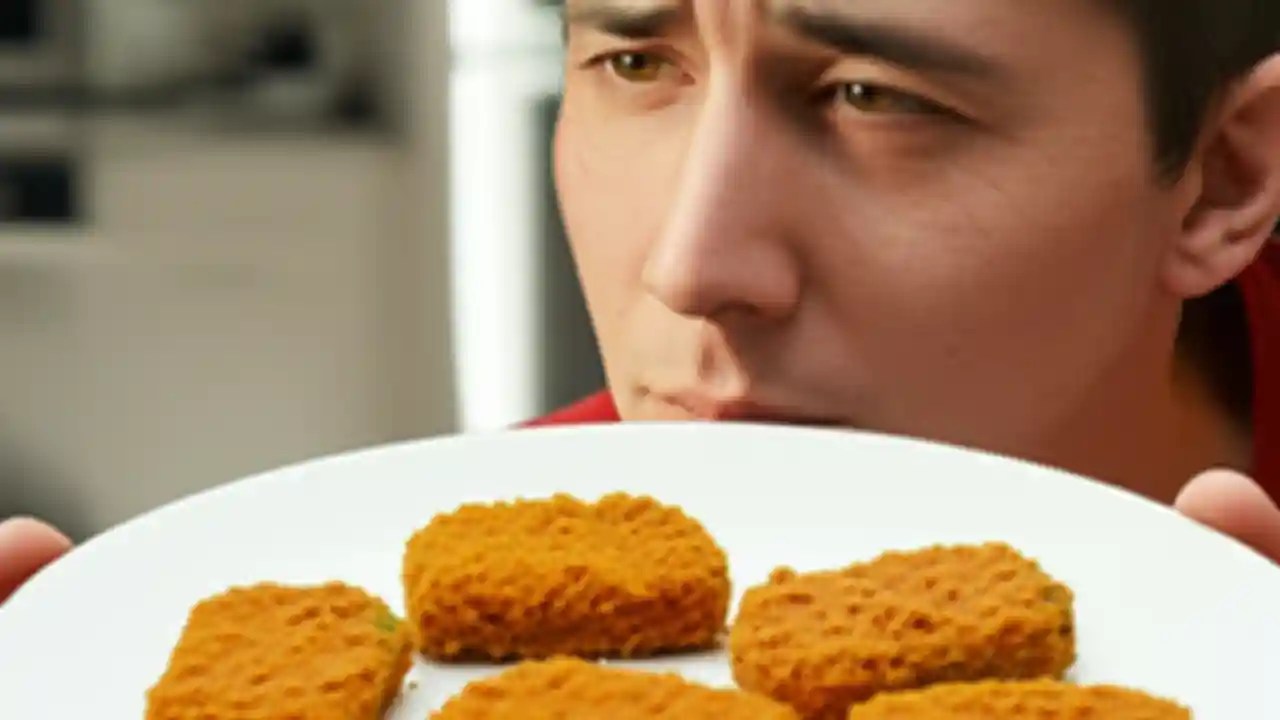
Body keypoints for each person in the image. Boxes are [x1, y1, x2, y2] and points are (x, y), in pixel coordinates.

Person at [3, 0, 1279, 605]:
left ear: (1222, 180)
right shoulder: (456, 610)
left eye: (873, 98)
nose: (689, 263)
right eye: (632, 62)